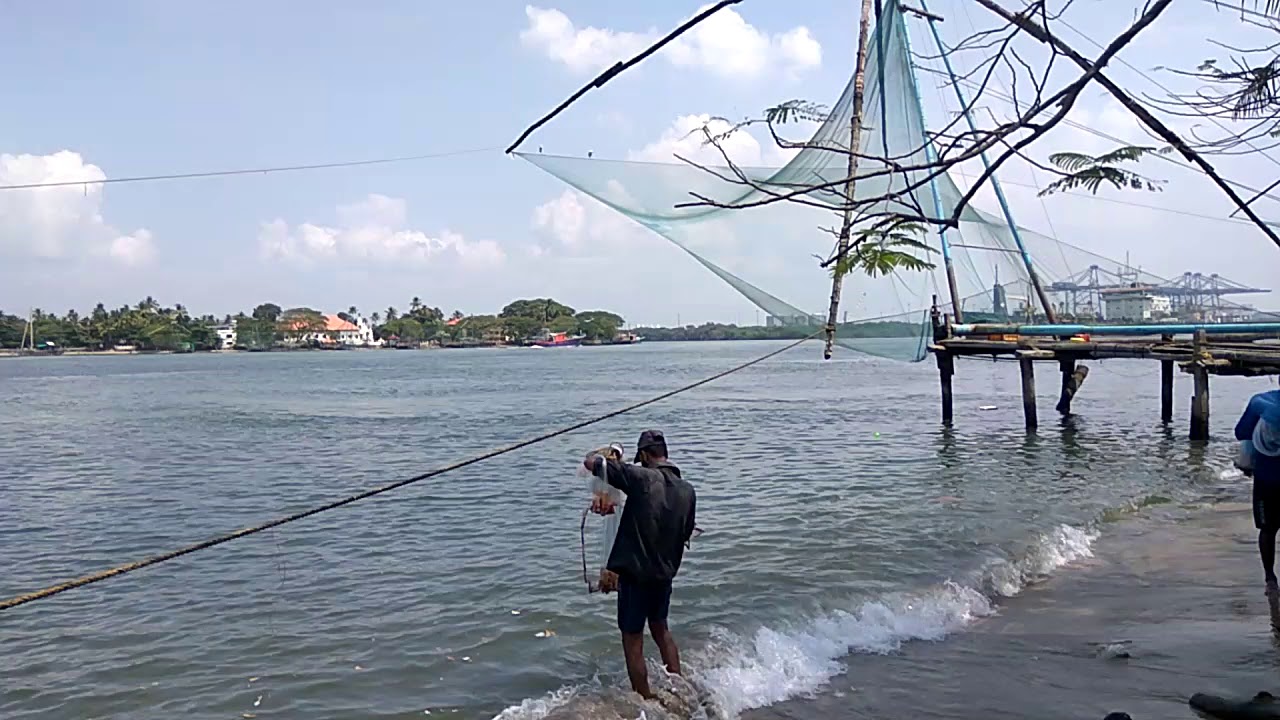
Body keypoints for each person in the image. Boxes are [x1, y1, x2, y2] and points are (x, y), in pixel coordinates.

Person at [583, 429, 696, 700]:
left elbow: (590, 462)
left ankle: (645, 701)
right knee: (661, 629)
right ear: (665, 454)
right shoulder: (687, 491)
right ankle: (680, 690)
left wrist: (610, 453)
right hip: (664, 576)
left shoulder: (640, 477)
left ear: (644, 455)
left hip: (636, 576)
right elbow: (686, 532)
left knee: (632, 638)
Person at [1236, 377, 1280, 595]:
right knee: (1268, 530)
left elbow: (1241, 432)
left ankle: (1270, 578)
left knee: (1268, 530)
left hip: (1266, 477)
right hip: (1267, 477)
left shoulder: (1260, 403)